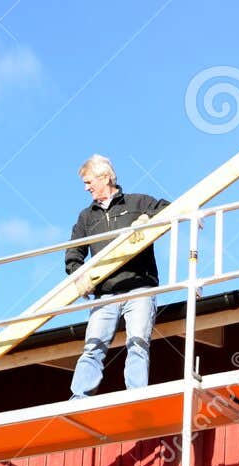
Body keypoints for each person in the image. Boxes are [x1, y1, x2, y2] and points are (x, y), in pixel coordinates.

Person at [66, 155, 171, 397]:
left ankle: (136, 394)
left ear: (105, 177)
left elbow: (170, 209)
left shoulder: (138, 202)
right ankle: (79, 397)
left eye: (89, 181)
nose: (86, 187)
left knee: (138, 341)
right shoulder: (86, 217)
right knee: (93, 346)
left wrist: (147, 219)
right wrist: (78, 275)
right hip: (105, 292)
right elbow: (74, 252)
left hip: (139, 287)